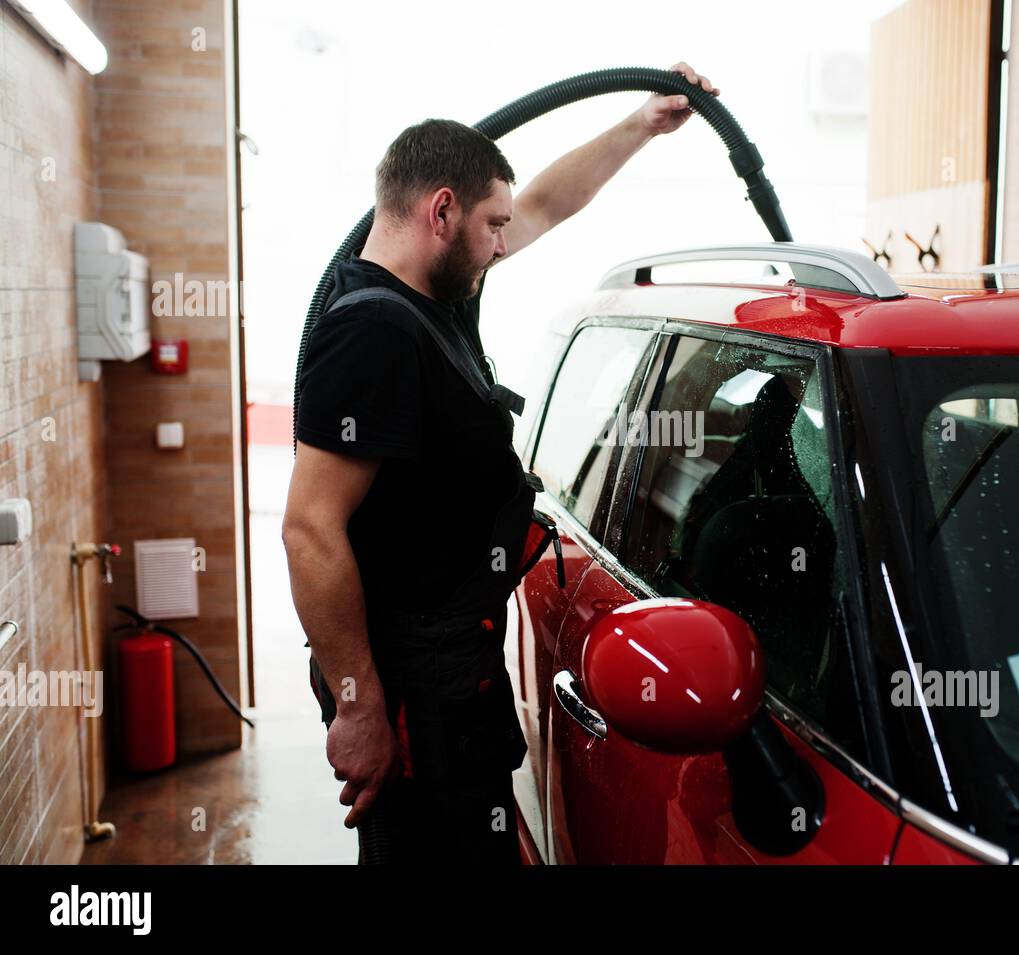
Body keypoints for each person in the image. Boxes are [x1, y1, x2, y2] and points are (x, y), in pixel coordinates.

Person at [282, 63, 720, 863]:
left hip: (451, 674)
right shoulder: (373, 331)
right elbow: (310, 529)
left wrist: (641, 125)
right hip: (414, 689)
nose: (503, 242)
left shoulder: (435, 295)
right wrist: (357, 706)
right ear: (440, 211)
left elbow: (547, 203)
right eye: (492, 225)